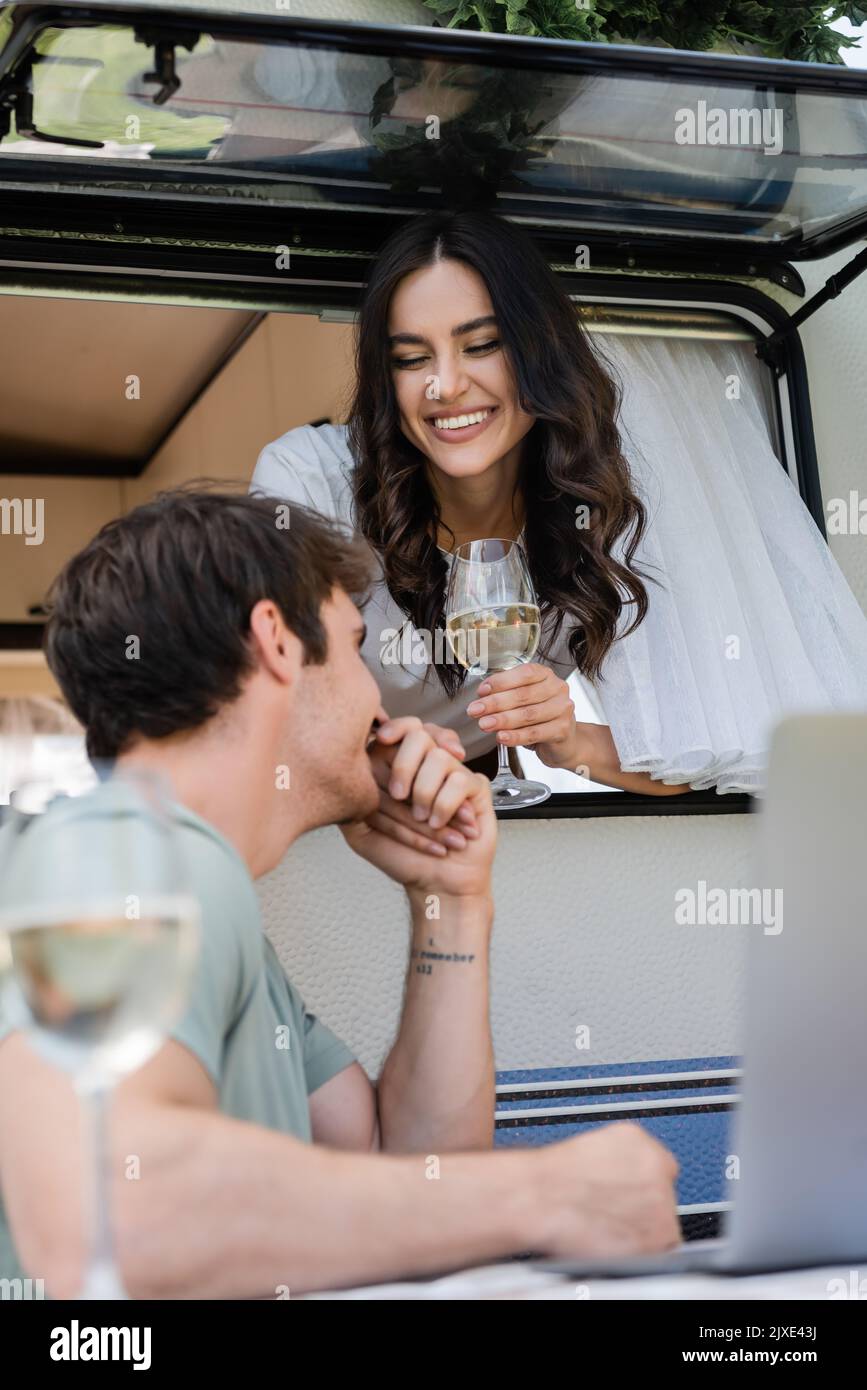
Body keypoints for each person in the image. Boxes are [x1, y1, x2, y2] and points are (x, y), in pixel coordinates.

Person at [0, 486, 679, 1298]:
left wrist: (450, 900)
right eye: (357, 650)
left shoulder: (206, 910)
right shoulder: (117, 848)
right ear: (277, 645)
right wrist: (546, 1197)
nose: (377, 699)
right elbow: (106, 1219)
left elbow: (411, 1173)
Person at [253, 209, 689, 794]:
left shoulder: (598, 502)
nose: (446, 385)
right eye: (411, 358)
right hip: (335, 802)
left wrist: (570, 741)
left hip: (465, 797)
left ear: (541, 355)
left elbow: (697, 755)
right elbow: (279, 708)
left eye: (481, 345)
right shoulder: (308, 482)